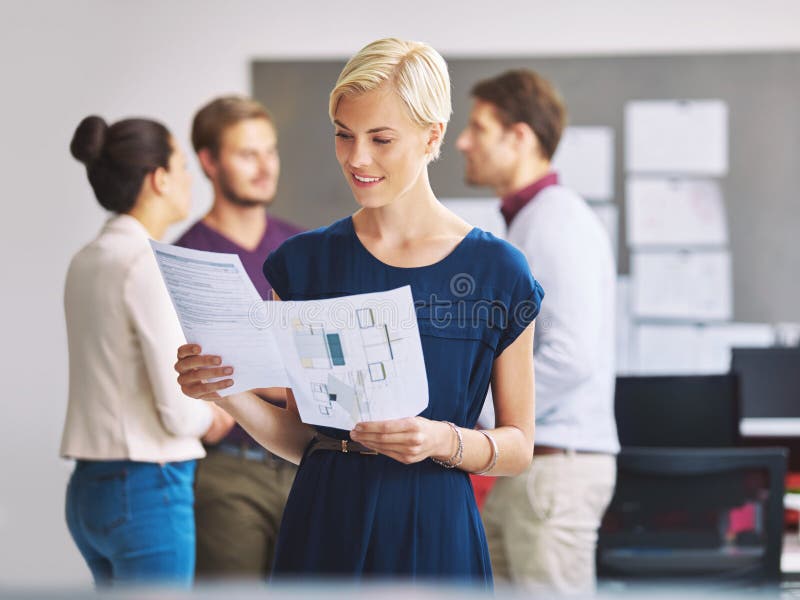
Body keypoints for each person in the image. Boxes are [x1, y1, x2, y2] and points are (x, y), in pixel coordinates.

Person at [173, 38, 543, 584]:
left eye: (381, 139)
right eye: (344, 135)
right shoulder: (301, 266)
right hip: (323, 525)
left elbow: (519, 446)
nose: (357, 158)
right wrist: (226, 390)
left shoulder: (499, 272)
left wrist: (441, 440)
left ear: (432, 136)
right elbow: (305, 439)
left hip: (433, 528)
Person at [455, 69, 619, 594]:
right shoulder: (531, 220)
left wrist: (479, 418)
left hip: (554, 468)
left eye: (478, 128)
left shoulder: (555, 221)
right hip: (530, 466)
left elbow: (571, 356)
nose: (462, 142)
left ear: (519, 137)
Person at [60, 116, 234, 587]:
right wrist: (217, 415)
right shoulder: (146, 264)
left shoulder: (86, 260)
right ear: (158, 179)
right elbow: (180, 411)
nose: (186, 180)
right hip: (146, 490)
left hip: (88, 491)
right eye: (181, 165)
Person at [174, 96, 302, 580]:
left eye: (269, 151)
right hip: (229, 471)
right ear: (209, 162)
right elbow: (182, 373)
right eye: (247, 154)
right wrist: (282, 376)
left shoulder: (302, 248)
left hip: (308, 465)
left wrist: (247, 377)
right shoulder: (184, 257)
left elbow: (325, 366)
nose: (264, 166)